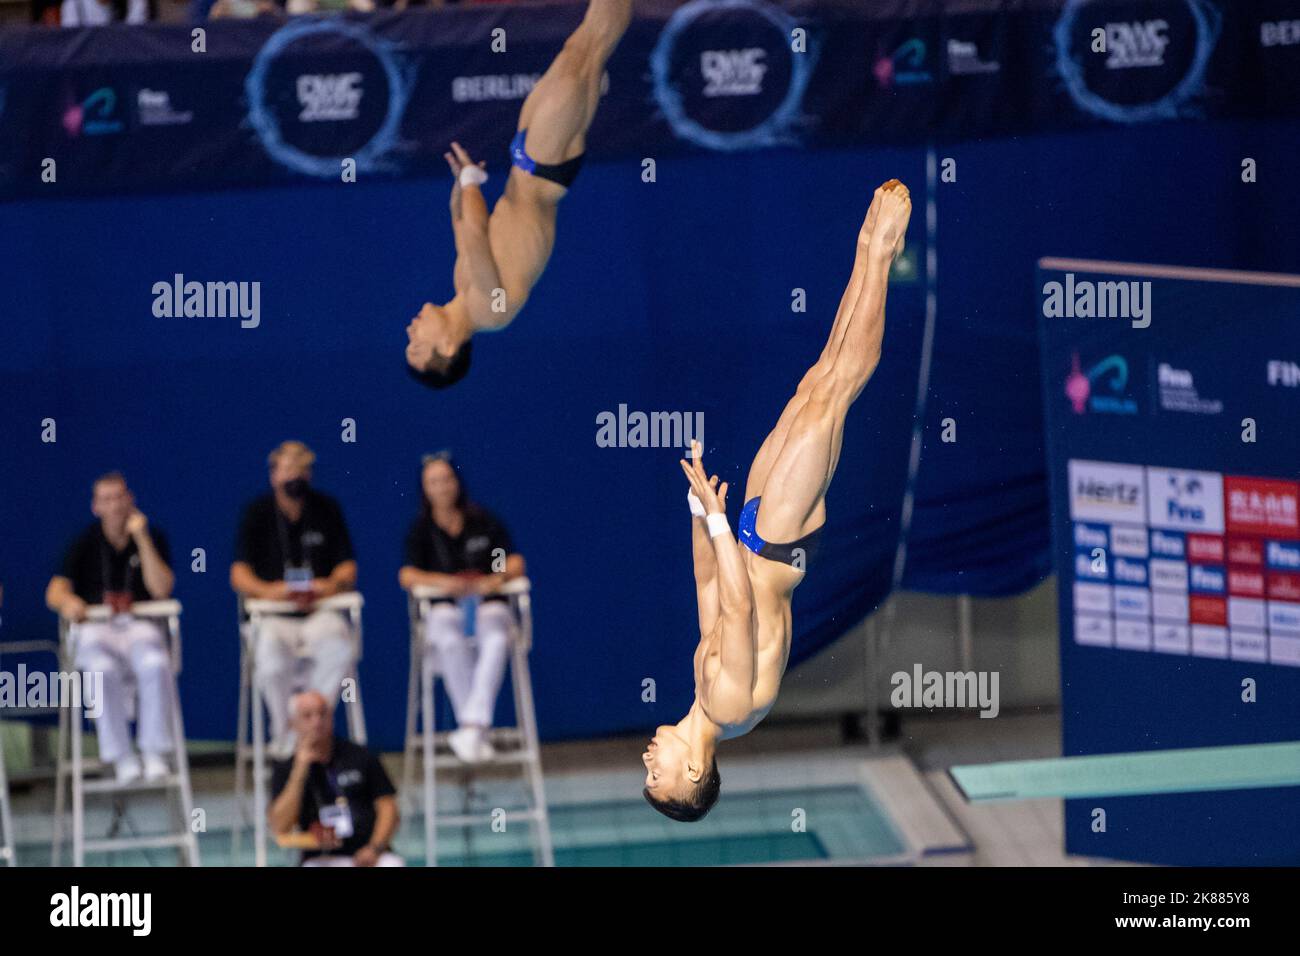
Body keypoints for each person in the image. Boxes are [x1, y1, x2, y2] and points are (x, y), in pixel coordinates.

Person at [643, 180, 913, 821]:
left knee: (817, 380)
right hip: (778, 540)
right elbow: (738, 606)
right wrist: (714, 520)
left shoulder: (706, 692)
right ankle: (880, 255)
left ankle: (864, 252)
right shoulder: (732, 710)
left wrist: (697, 511)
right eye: (658, 778)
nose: (648, 763)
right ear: (693, 771)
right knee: (834, 394)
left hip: (752, 532)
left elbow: (709, 588)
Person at [403, 0, 633, 389]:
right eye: (415, 346)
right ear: (447, 344)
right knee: (591, 46)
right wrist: (471, 181)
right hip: (544, 167)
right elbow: (476, 233)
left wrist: (462, 185)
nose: (411, 331)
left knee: (585, 48)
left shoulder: (463, 287)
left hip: (527, 160)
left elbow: (462, 223)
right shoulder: (490, 313)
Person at [44, 472, 177, 784]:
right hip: (97, 631)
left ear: (130, 499)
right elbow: (54, 591)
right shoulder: (83, 543)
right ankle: (120, 756)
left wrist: (142, 538)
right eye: (107, 499)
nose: (115, 505)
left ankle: (154, 751)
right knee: (100, 671)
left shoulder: (152, 536)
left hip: (139, 628)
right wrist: (68, 602)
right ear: (96, 506)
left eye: (119, 497)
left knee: (157, 665)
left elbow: (161, 590)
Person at [230, 441, 358, 756]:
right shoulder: (256, 513)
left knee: (339, 649)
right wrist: (270, 591)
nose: (294, 476)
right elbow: (238, 575)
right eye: (287, 469)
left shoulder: (327, 509)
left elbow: (347, 568)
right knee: (270, 662)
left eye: (300, 470)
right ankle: (286, 730)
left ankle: (314, 725)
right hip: (275, 614)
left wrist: (326, 586)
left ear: (310, 475)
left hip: (318, 612)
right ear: (273, 475)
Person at [399, 453, 526, 763]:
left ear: (457, 483)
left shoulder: (483, 522)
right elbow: (407, 575)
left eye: (446, 479)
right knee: (449, 641)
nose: (442, 487)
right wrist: (445, 583)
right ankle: (475, 728)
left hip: (485, 607)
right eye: (433, 482)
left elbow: (514, 562)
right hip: (446, 609)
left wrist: (494, 580)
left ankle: (470, 727)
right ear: (424, 489)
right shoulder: (421, 531)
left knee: (497, 638)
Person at [268, 691, 402, 867]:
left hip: (370, 853)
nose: (317, 722)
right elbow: (280, 826)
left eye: (322, 714)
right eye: (308, 716)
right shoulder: (286, 767)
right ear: (293, 724)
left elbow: (388, 807)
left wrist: (375, 848)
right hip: (320, 857)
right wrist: (299, 771)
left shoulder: (361, 755)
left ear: (331, 717)